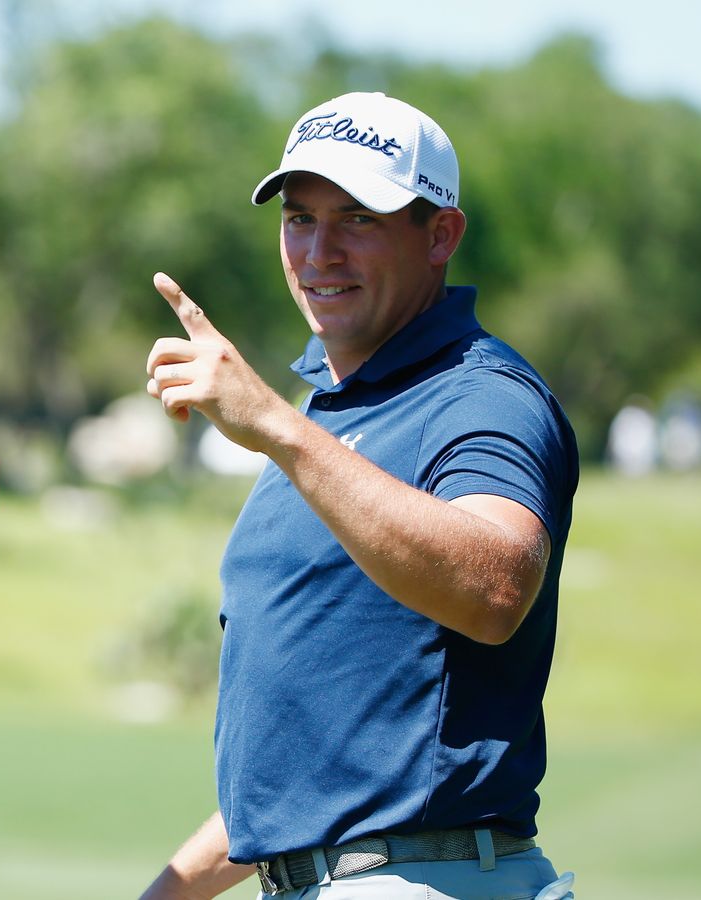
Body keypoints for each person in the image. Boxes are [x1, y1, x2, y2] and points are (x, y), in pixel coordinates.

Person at [139, 91, 579, 899]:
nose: (319, 252)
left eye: (360, 219)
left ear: (440, 234)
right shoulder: (330, 416)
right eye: (300, 218)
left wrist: (277, 427)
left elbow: (495, 586)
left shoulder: (481, 394)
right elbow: (318, 767)